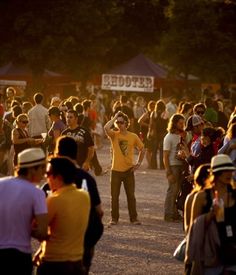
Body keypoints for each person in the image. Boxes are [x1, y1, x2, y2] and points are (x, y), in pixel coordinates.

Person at [36, 157, 90, 275]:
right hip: (76, 262)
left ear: (58, 177)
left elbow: (40, 231)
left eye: (48, 174)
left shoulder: (54, 200)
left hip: (54, 263)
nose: (46, 177)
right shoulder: (84, 197)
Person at [0, 148, 48, 275]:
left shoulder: (1, 184)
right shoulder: (36, 193)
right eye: (42, 168)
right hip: (19, 256)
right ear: (32, 169)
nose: (45, 173)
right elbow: (42, 232)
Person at [187, 154, 236, 274]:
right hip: (210, 254)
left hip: (233, 251)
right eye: (224, 171)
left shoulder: (234, 195)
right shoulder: (201, 197)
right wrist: (211, 215)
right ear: (215, 174)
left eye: (230, 170)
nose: (228, 174)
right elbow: (191, 228)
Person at [104, 111, 145, 225]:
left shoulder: (133, 136)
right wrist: (115, 117)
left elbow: (142, 149)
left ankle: (134, 218)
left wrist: (138, 163)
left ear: (126, 123)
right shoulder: (114, 135)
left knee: (131, 196)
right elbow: (106, 127)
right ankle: (114, 219)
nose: (119, 124)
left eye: (121, 122)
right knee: (114, 197)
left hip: (128, 171)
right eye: (117, 122)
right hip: (115, 170)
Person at [163, 114, 185, 222]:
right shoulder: (169, 137)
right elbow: (165, 156)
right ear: (175, 123)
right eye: (180, 123)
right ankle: (168, 213)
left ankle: (175, 212)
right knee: (172, 190)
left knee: (178, 191)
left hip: (182, 165)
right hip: (173, 165)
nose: (182, 125)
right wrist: (168, 172)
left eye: (183, 123)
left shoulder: (183, 135)